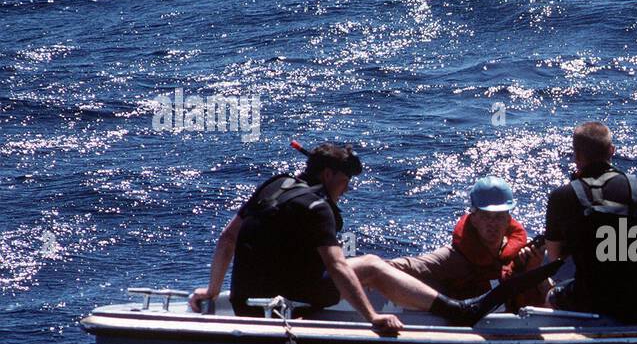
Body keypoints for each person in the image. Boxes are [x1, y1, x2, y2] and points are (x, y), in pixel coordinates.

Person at [189, 143, 542, 333]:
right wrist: (373, 317)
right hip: (291, 298)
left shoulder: (273, 186)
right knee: (371, 265)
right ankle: (459, 312)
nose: (347, 189)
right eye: (344, 181)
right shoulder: (317, 207)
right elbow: (338, 267)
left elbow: (226, 240)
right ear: (328, 175)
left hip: (244, 301)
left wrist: (213, 291)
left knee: (367, 268)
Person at [544, 121, 637, 322]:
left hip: (588, 296)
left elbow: (555, 257)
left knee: (549, 298)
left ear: (577, 155)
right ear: (612, 150)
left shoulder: (561, 196)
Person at [385, 176, 548, 307]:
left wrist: (535, 271)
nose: (492, 224)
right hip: (470, 334)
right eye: (485, 216)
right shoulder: (452, 258)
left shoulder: (525, 255)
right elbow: (409, 266)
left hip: (513, 332)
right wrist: (372, 269)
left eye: (499, 217)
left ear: (508, 220)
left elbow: (546, 300)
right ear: (474, 219)